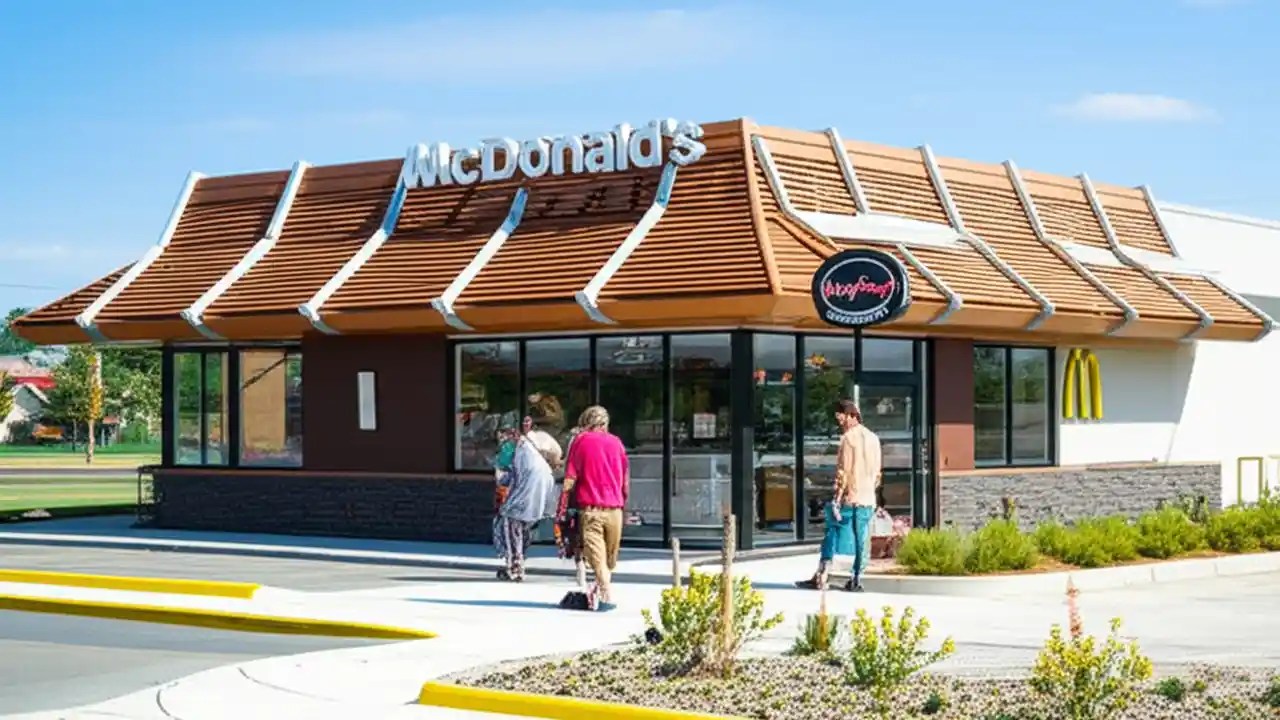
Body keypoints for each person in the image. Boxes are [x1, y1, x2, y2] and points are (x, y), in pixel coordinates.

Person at [796, 398, 882, 592]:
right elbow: (878, 473)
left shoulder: (848, 439)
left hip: (850, 498)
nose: (840, 422)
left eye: (841, 417)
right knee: (861, 539)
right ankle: (856, 578)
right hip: (868, 498)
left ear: (852, 415)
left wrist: (837, 497)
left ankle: (822, 575)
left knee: (832, 533)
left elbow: (843, 472)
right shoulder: (873, 439)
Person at [561, 405, 629, 611]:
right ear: (605, 423)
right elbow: (625, 479)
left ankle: (603, 592)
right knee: (609, 560)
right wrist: (623, 501)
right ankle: (604, 592)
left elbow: (570, 477)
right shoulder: (617, 443)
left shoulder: (580, 441)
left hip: (591, 509)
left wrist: (563, 505)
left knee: (598, 559)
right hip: (615, 509)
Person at [493, 416, 559, 582]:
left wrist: (500, 476)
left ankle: (515, 565)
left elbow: (504, 476)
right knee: (522, 525)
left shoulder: (513, 447)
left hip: (529, 485)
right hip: (544, 484)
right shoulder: (533, 443)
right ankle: (519, 560)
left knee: (509, 520)